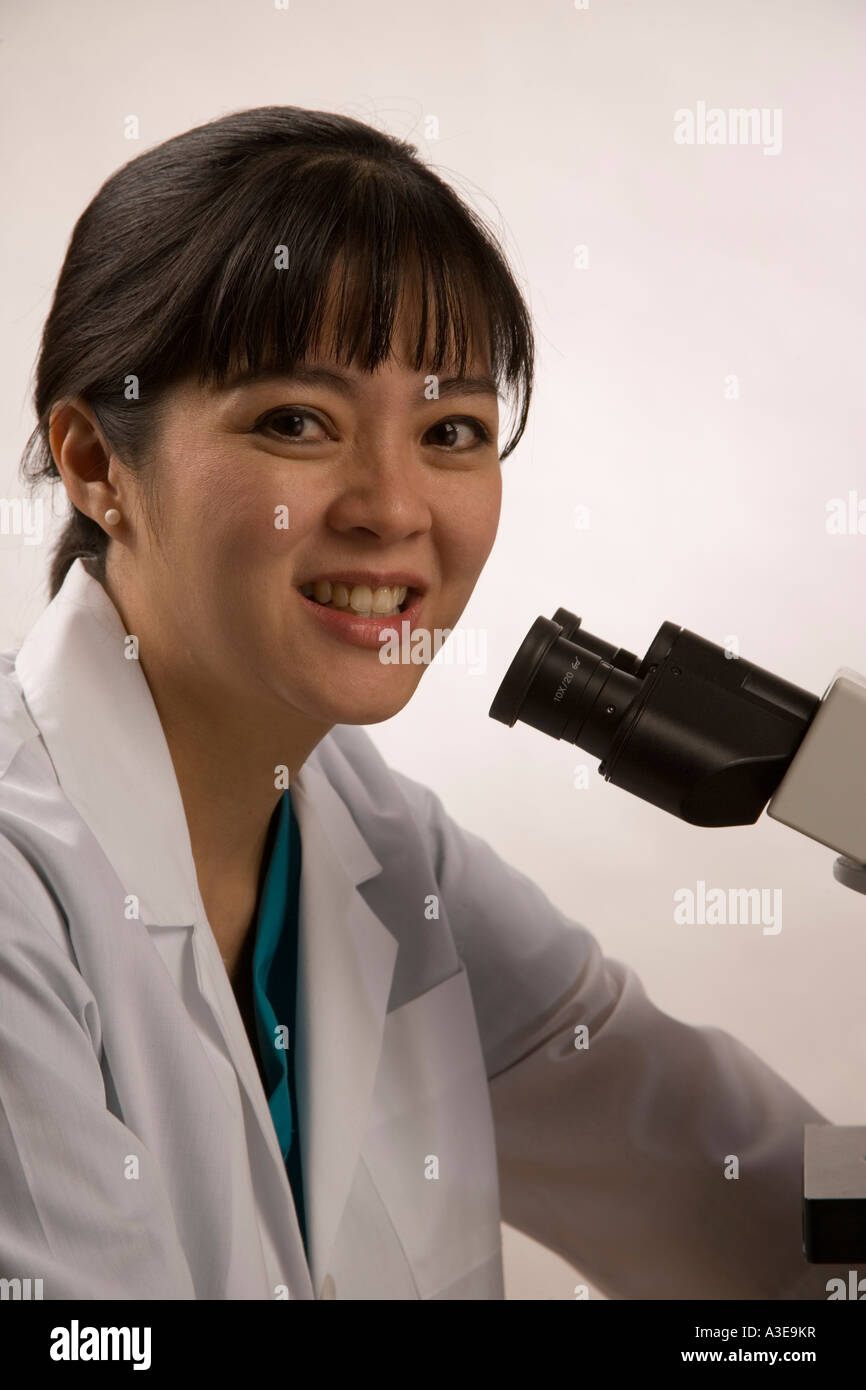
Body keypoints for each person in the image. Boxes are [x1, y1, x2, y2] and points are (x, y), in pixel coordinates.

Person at [0, 105, 850, 1301]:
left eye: (451, 430)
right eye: (297, 422)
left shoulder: (369, 834)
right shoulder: (19, 888)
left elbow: (731, 1199)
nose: (394, 508)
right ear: (95, 465)